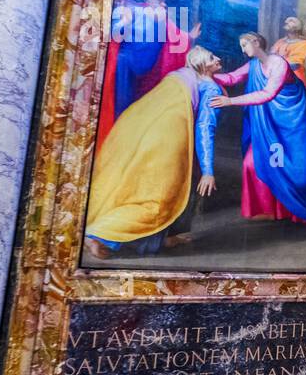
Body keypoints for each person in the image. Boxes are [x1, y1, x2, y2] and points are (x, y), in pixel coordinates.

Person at [84, 45, 223, 259]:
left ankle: (152, 242)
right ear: (203, 65)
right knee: (157, 200)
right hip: (167, 140)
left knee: (131, 189)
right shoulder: (210, 88)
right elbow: (205, 128)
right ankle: (100, 235)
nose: (218, 58)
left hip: (136, 131)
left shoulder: (178, 76)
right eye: (213, 57)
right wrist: (208, 170)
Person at [212, 32, 306, 224]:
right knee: (253, 164)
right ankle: (273, 211)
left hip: (296, 122)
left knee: (300, 172)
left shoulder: (278, 63)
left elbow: (268, 93)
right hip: (271, 122)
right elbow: (231, 78)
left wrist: (230, 101)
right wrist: (205, 74)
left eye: (244, 44)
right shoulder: (254, 65)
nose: (242, 49)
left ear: (256, 42)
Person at [96, 0, 201, 149]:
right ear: (148, 2)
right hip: (127, 66)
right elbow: (112, 32)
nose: (164, 5)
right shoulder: (134, 12)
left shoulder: (160, 16)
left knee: (136, 109)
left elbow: (174, 34)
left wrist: (188, 37)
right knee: (122, 105)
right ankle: (115, 143)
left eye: (163, 2)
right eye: (160, 2)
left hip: (146, 70)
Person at [272, 16, 306, 91]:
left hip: (295, 81)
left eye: (291, 21)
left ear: (298, 27)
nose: (287, 21)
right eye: (287, 21)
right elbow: (270, 58)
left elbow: (295, 65)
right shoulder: (280, 42)